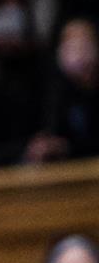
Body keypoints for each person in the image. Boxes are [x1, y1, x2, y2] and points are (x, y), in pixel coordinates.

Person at [28, 18, 99, 162]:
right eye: (71, 47)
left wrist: (69, 148)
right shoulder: (54, 91)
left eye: (84, 46)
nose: (79, 55)